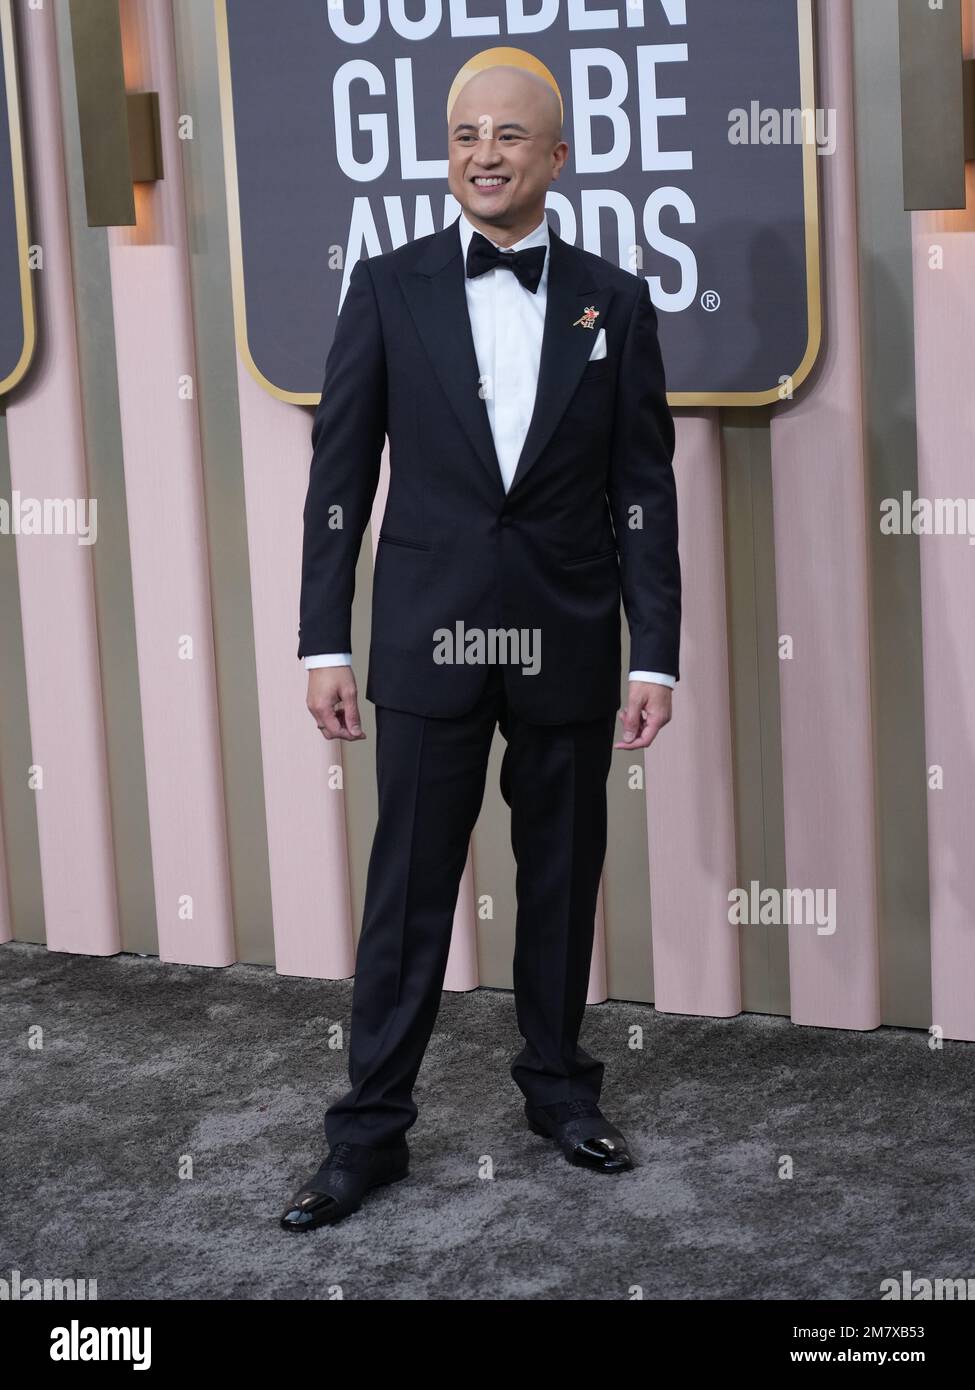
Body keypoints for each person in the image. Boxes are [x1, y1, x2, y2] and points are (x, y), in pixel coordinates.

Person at [281, 62, 680, 1232]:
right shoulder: (388, 286)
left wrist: (652, 652)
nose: (484, 154)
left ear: (557, 157)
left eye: (510, 137)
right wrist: (322, 640)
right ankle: (367, 1133)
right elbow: (339, 480)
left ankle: (560, 1091)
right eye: (463, 137)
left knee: (560, 878)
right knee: (407, 888)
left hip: (567, 630)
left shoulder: (617, 296)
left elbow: (642, 488)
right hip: (426, 632)